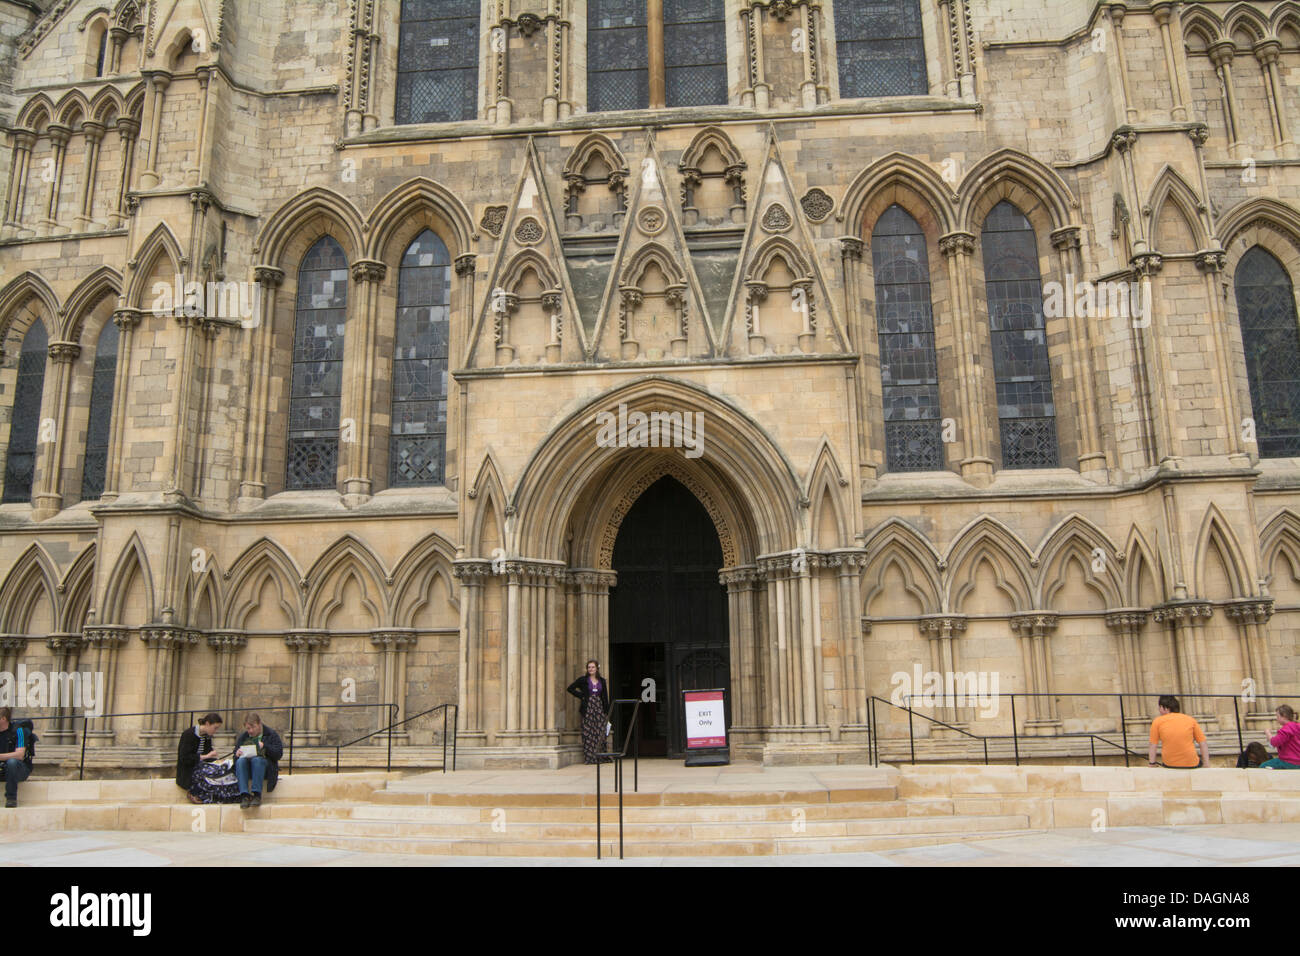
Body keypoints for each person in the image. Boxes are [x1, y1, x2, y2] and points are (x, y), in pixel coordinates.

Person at [176, 713, 240, 804]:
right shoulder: (188, 734)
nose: (215, 731)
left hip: (202, 764)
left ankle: (230, 797)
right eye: (215, 728)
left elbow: (208, 754)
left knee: (226, 769)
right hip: (189, 769)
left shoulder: (206, 736)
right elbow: (184, 758)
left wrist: (218, 761)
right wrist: (205, 757)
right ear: (207, 724)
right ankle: (195, 793)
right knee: (210, 773)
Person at [233, 713, 283, 808]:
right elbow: (235, 756)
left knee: (257, 760)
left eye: (253, 727)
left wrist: (264, 746)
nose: (250, 731)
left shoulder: (271, 734)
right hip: (248, 768)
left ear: (259, 724)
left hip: (265, 768)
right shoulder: (244, 736)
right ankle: (244, 795)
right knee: (240, 761)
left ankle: (257, 794)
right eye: (248, 728)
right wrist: (237, 754)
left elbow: (278, 754)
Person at [567, 660, 611, 765]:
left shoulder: (602, 681)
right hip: (588, 708)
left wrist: (607, 711)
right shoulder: (583, 680)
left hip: (599, 708)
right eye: (589, 667)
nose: (591, 669)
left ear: (597, 669)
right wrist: (581, 696)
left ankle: (601, 756)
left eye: (593, 667)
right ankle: (590, 757)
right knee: (588, 733)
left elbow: (605, 697)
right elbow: (570, 688)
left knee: (600, 732)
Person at [1148, 695, 1210, 768]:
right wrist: (1206, 764)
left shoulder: (1157, 722)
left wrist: (1152, 763)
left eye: (1159, 707)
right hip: (1191, 763)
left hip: (1169, 764)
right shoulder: (1190, 720)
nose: (1159, 710)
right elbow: (1203, 743)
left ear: (1164, 707)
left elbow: (1153, 745)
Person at [0, 708, 31, 808]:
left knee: (12, 762)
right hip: (3, 769)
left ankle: (11, 798)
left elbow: (20, 755)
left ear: (3, 719)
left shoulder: (18, 730)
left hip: (19, 769)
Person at [1261, 705, 1300, 769]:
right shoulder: (1297, 726)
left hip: (1289, 761)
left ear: (1284, 716)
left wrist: (1268, 733)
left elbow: (1274, 743)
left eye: (1277, 716)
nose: (1276, 719)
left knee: (1263, 767)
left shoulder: (1287, 729)